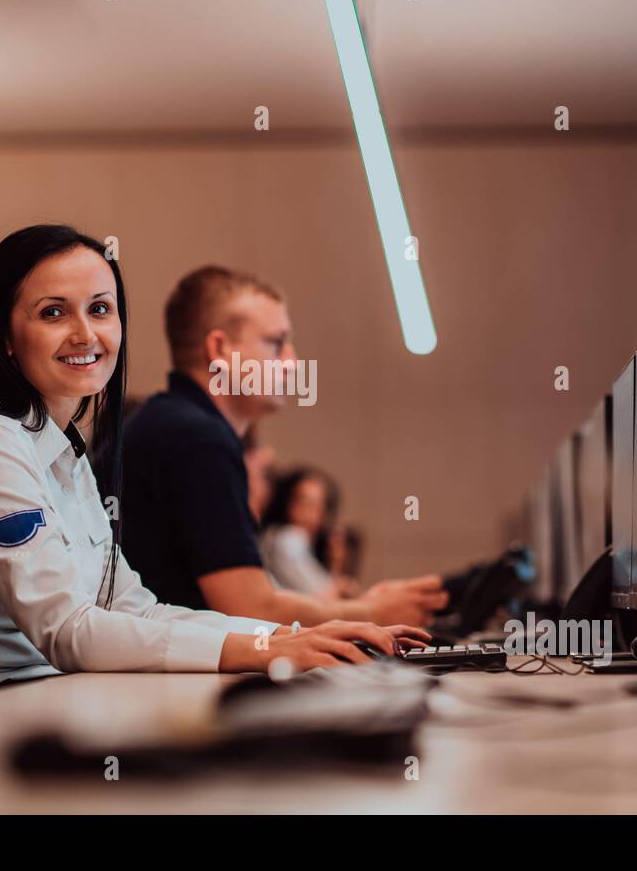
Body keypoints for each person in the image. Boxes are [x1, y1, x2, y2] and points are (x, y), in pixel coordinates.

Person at [0, 226, 426, 702]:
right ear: (5, 337)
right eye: (53, 313)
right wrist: (260, 649)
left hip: (42, 695)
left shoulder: (59, 449)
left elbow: (133, 606)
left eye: (100, 309)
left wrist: (277, 641)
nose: (85, 334)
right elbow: (68, 630)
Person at [121, 265, 447, 627]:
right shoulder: (196, 438)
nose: (292, 363)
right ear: (220, 349)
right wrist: (371, 613)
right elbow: (249, 609)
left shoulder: (170, 421)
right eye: (276, 344)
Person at [259, 467, 358, 600]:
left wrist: (336, 562)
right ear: (287, 503)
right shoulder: (288, 538)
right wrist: (340, 588)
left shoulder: (277, 537)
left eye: (319, 506)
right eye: (306, 503)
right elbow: (322, 597)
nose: (312, 514)